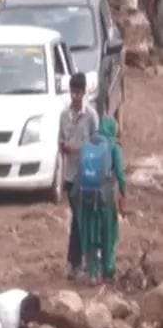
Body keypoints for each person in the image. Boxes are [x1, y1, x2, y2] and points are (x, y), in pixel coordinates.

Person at [58, 72, 99, 280]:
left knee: (82, 219)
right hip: (71, 176)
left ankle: (77, 262)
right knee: (78, 218)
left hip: (87, 176)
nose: (75, 96)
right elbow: (60, 143)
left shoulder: (91, 116)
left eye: (78, 92)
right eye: (72, 91)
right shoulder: (64, 115)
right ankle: (76, 262)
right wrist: (66, 148)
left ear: (84, 92)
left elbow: (97, 145)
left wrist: (79, 150)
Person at [78, 116, 127, 284]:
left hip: (87, 196)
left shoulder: (90, 142)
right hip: (105, 199)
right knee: (108, 233)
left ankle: (92, 272)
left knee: (91, 232)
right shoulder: (114, 146)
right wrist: (123, 194)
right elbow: (121, 174)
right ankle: (108, 271)